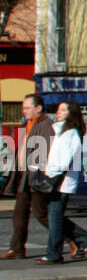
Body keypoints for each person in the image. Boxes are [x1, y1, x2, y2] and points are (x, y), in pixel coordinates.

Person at [35, 101, 87, 265]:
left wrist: (51, 174)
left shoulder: (71, 134)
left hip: (61, 182)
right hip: (55, 179)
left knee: (54, 218)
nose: (59, 112)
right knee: (55, 217)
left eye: (63, 110)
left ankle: (54, 253)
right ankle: (84, 238)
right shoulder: (59, 131)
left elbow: (65, 161)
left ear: (71, 113)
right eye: (58, 109)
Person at [3, 94, 57, 260]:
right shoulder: (30, 124)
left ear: (38, 108)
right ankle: (17, 248)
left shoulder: (46, 124)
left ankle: (77, 238)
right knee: (19, 214)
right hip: (24, 177)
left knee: (41, 214)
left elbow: (45, 152)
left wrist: (38, 175)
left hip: (35, 178)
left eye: (27, 108)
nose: (24, 111)